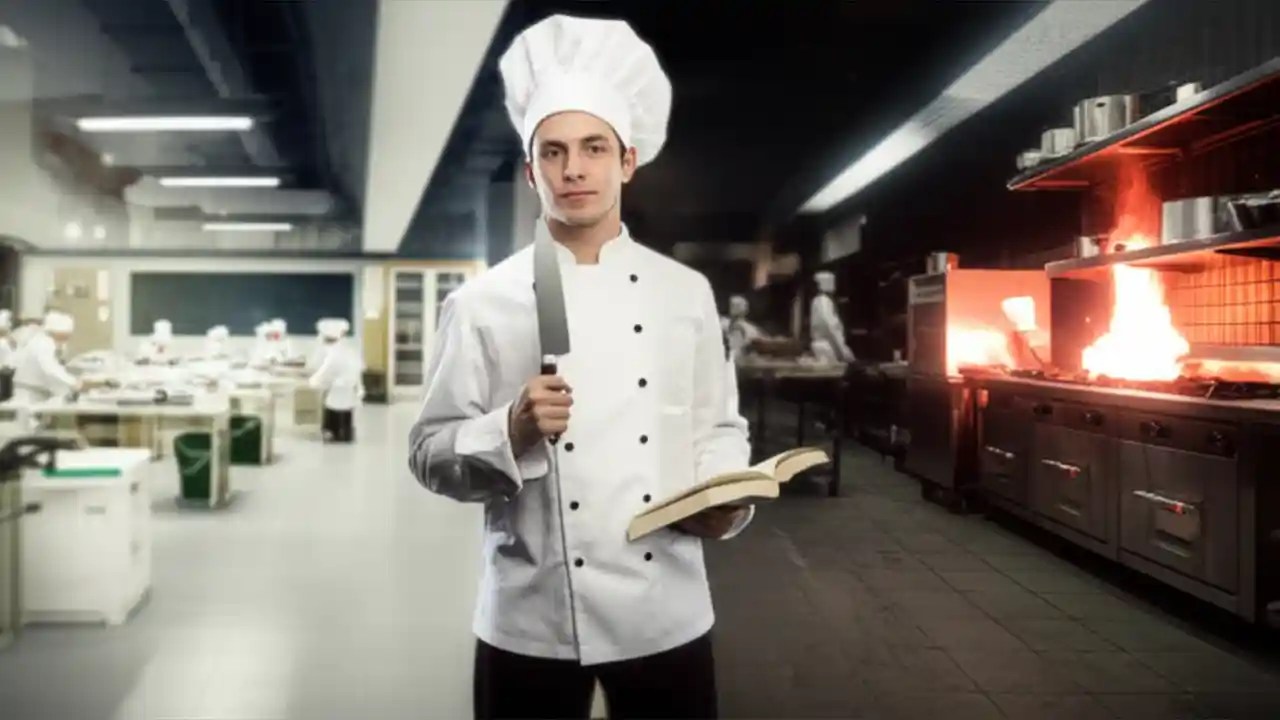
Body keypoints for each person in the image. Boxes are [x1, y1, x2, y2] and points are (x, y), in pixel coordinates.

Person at [408, 15, 752, 720]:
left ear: (627, 160)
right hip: (528, 615)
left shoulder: (684, 294)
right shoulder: (481, 303)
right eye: (554, 152)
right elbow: (428, 454)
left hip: (667, 608)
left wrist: (729, 501)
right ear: (532, 171)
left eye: (594, 147)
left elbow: (717, 425)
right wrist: (509, 430)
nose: (574, 169)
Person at [308, 318, 363, 443]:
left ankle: (334, 433)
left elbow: (326, 370)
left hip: (339, 387)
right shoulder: (347, 349)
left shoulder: (335, 352)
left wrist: (313, 381)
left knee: (334, 408)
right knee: (346, 410)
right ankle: (346, 434)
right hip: (348, 387)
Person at [12, 310, 81, 408]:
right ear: (58, 333)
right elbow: (50, 368)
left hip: (34, 393)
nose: (66, 340)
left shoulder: (44, 341)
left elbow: (55, 367)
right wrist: (73, 382)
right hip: (28, 396)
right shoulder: (44, 343)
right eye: (65, 336)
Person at [809, 270, 855, 363]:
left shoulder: (816, 300)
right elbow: (831, 326)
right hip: (829, 348)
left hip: (821, 346)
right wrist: (844, 351)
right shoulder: (824, 301)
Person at [724, 295, 762, 363]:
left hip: (739, 362)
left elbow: (735, 349)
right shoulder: (724, 323)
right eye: (734, 305)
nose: (735, 307)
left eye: (738, 305)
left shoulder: (747, 328)